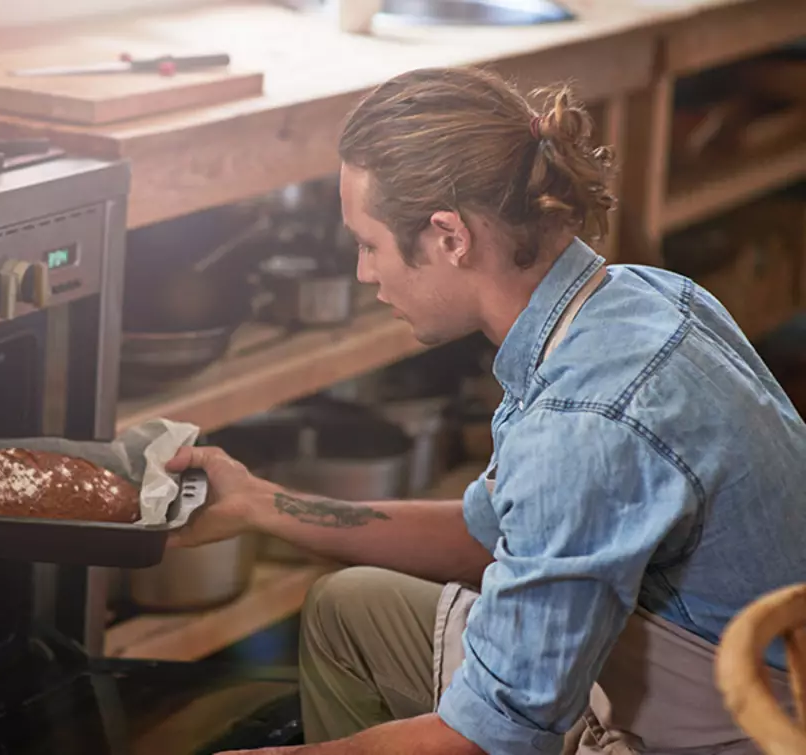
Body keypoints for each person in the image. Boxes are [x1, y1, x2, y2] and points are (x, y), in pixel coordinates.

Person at [166, 66, 806, 755]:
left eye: (369, 243)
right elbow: (493, 534)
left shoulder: (582, 422)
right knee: (350, 606)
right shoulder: (641, 297)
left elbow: (494, 738)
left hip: (745, 734)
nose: (363, 273)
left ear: (449, 236)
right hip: (709, 672)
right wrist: (261, 504)